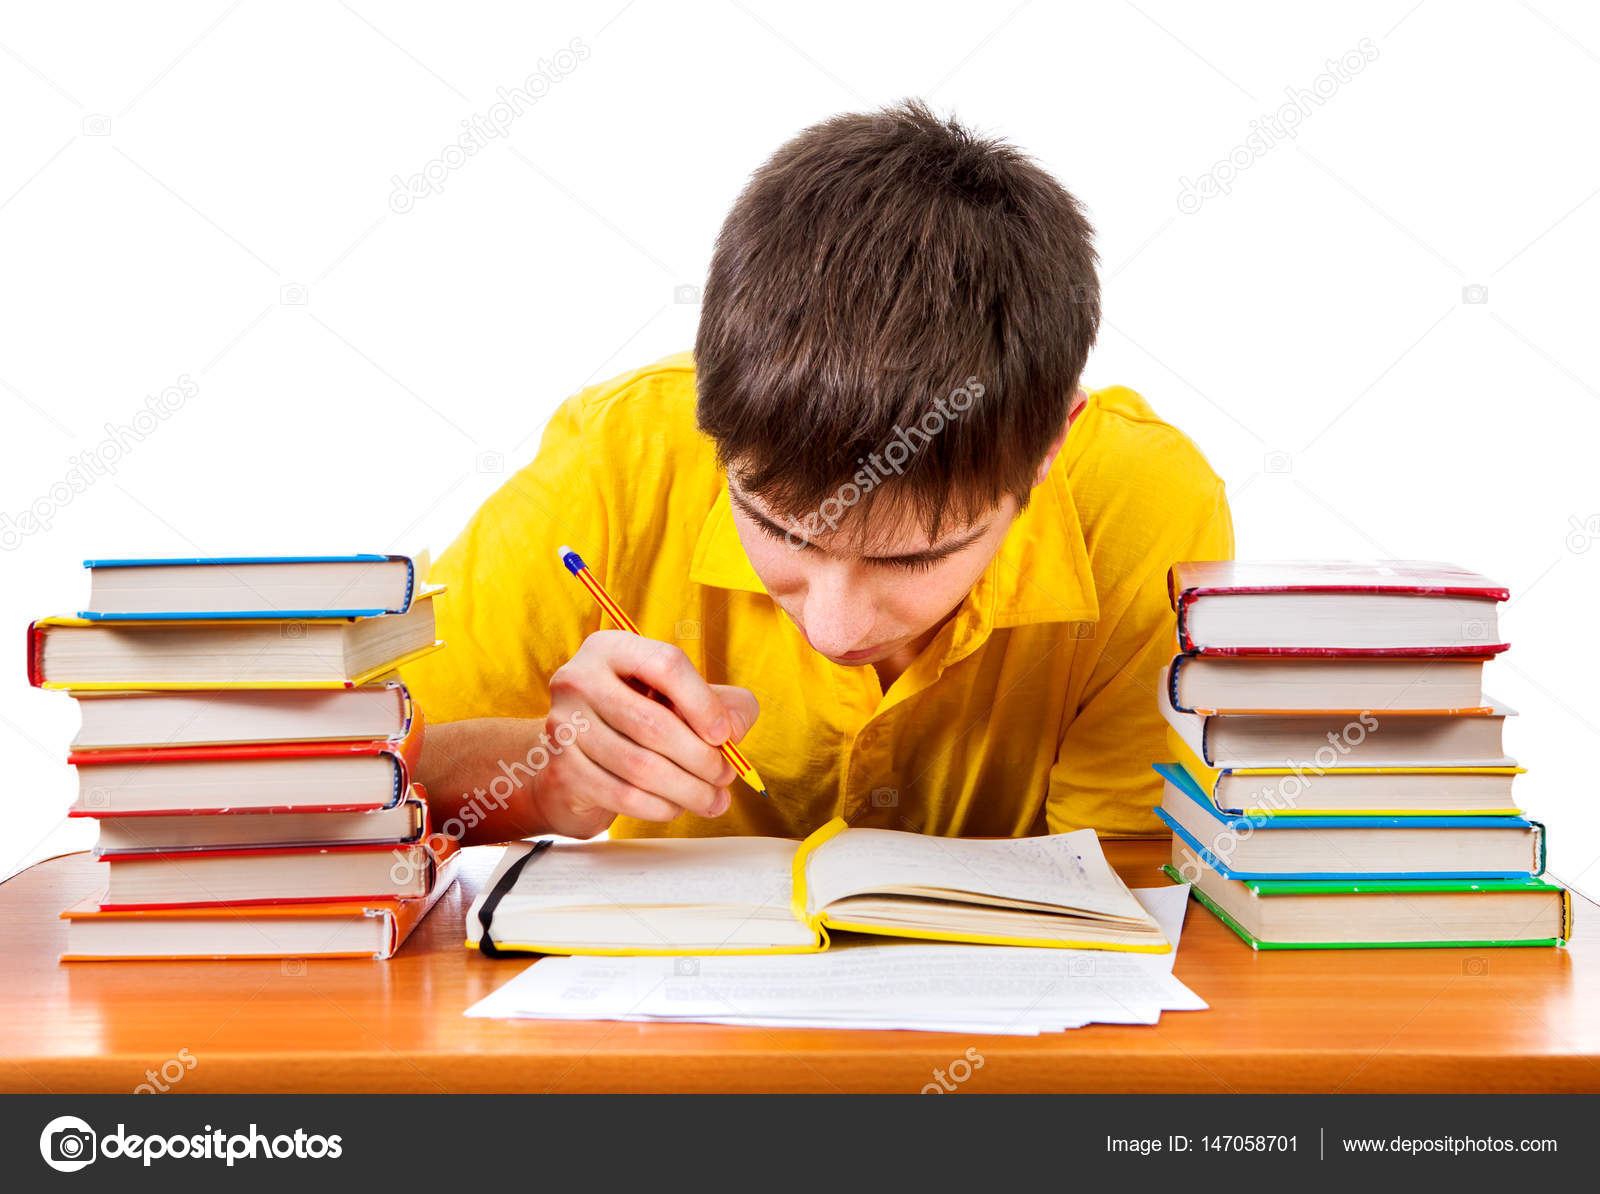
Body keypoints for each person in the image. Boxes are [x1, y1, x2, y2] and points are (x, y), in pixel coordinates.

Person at [403, 100, 1233, 846]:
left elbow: (1130, 895)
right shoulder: (621, 460)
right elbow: (353, 775)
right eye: (776, 527)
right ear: (709, 423)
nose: (834, 630)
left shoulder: (1145, 508)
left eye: (911, 558)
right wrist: (546, 777)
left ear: (1051, 446)